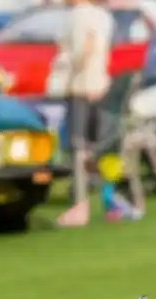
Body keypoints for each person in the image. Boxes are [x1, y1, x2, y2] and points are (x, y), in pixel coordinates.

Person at [55, 0, 114, 227]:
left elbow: (82, 49)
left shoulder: (79, 15)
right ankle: (107, 199)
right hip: (99, 84)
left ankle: (80, 204)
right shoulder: (103, 16)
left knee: (79, 147)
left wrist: (65, 71)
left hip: (81, 86)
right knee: (94, 148)